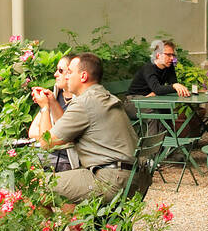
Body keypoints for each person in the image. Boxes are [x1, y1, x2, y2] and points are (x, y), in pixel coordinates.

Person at [33, 52, 138, 204]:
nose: (66, 76)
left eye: (69, 72)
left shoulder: (84, 103)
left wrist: (44, 108)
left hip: (110, 180)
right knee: (66, 190)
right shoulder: (103, 96)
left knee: (34, 185)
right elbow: (65, 129)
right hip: (130, 178)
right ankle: (75, 227)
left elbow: (46, 143)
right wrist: (54, 103)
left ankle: (53, 228)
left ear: (83, 77)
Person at [29, 54, 77, 171]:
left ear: (71, 73)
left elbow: (50, 139)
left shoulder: (80, 101)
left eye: (60, 70)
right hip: (49, 154)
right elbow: (33, 131)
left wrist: (46, 107)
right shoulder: (54, 95)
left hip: (67, 159)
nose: (55, 74)